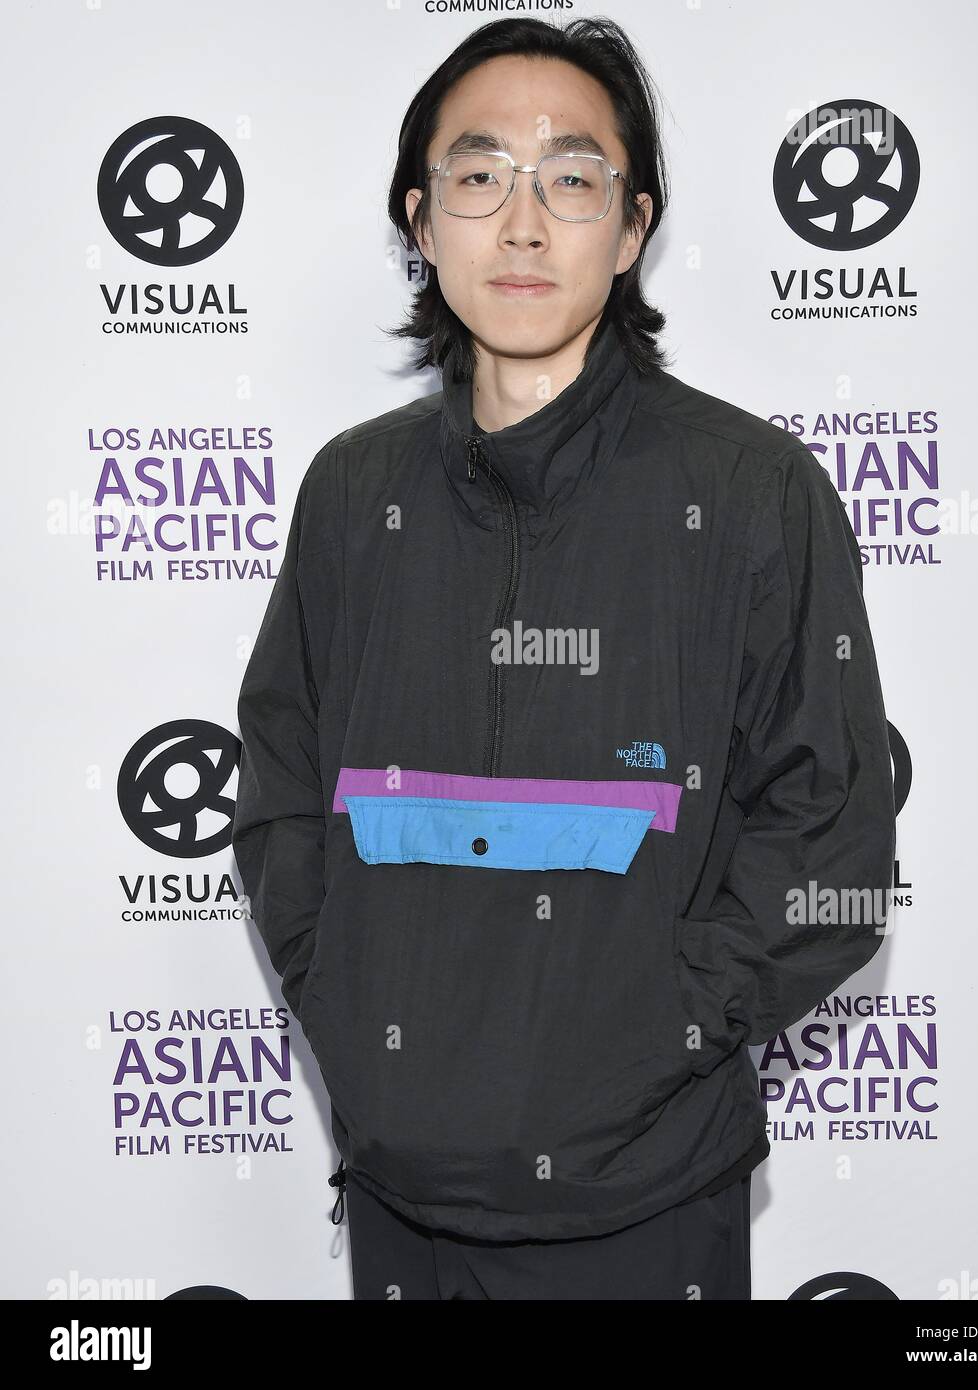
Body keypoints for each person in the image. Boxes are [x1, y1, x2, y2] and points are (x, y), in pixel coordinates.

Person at [231, 14, 896, 1301]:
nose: (522, 224)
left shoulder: (752, 491)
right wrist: (359, 1020)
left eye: (570, 179)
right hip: (398, 1198)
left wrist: (643, 1034)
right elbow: (281, 788)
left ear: (632, 225)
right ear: (420, 223)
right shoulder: (349, 492)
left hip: (645, 1199)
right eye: (478, 177)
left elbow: (832, 845)